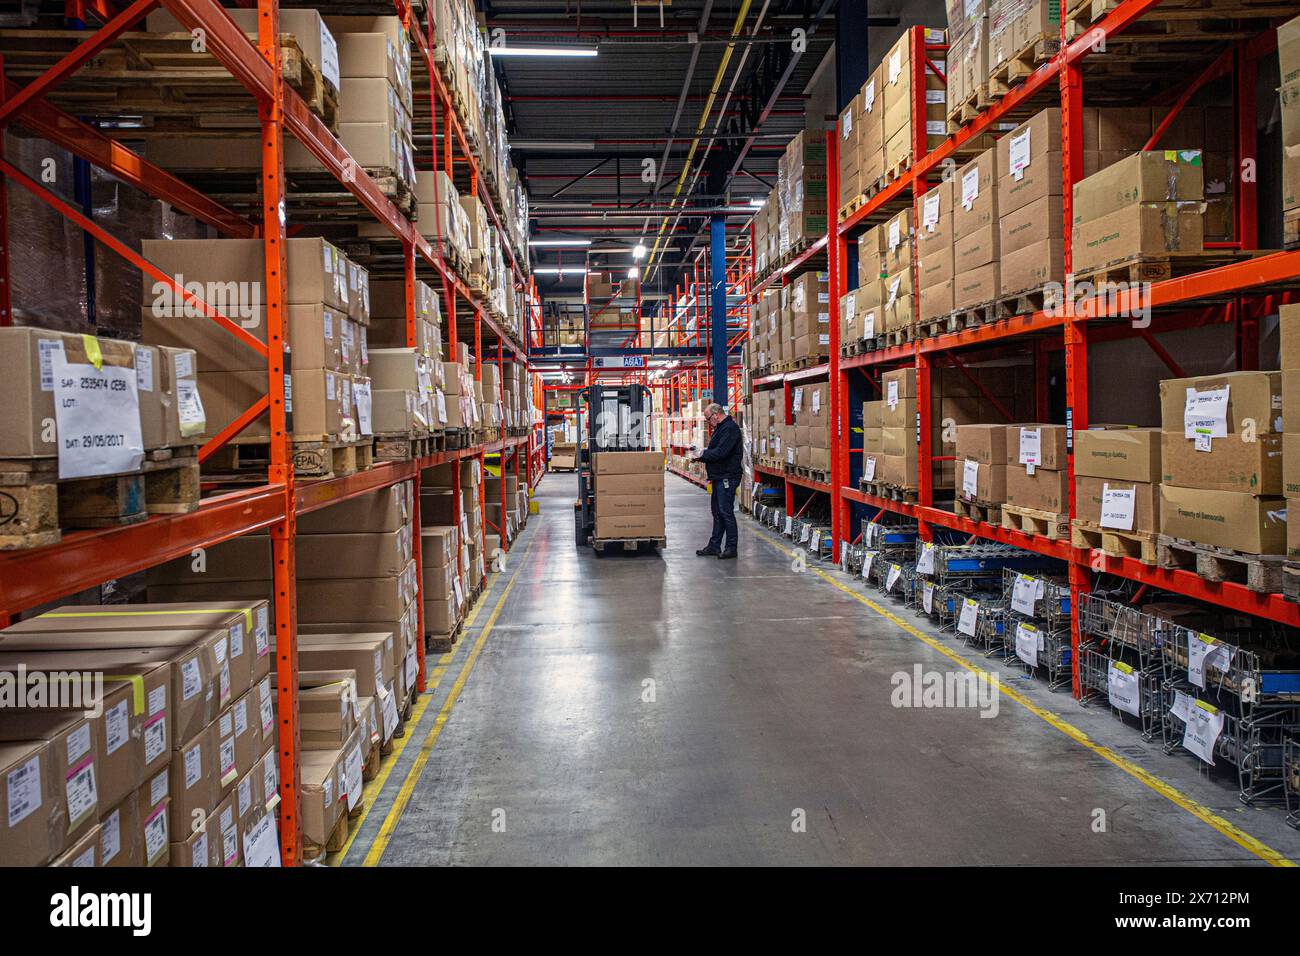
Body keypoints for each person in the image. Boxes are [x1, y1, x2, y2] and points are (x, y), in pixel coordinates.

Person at [692, 402, 742, 559]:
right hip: (719, 477)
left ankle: (731, 548)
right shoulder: (721, 428)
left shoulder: (730, 429)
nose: (708, 422)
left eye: (708, 419)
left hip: (727, 476)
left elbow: (721, 452)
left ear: (715, 415)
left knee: (726, 512)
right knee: (717, 512)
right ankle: (714, 546)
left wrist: (702, 456)